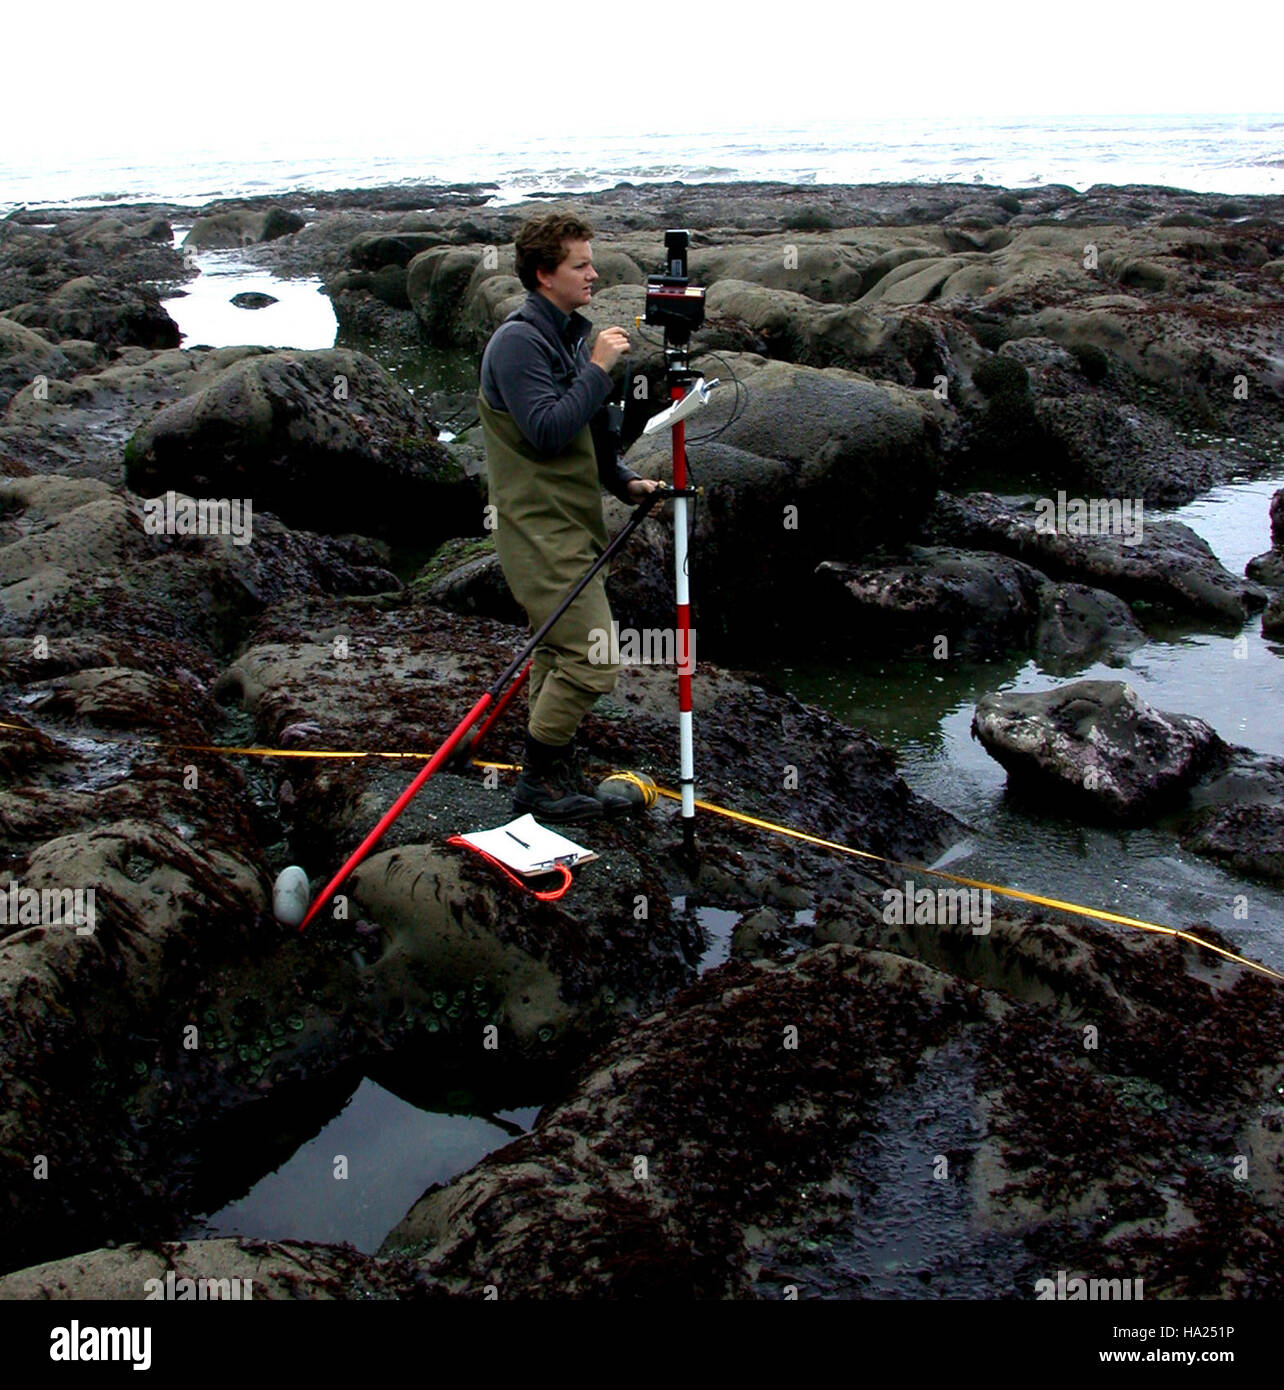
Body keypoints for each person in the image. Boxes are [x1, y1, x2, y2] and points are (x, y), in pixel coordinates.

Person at [478, 212, 662, 822]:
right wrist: (598, 367)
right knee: (593, 656)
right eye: (580, 264)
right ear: (543, 274)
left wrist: (624, 480)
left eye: (590, 260)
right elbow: (549, 431)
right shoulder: (518, 341)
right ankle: (536, 784)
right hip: (537, 530)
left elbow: (587, 430)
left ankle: (556, 773)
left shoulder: (563, 333)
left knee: (559, 653)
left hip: (572, 520)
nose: (594, 272)